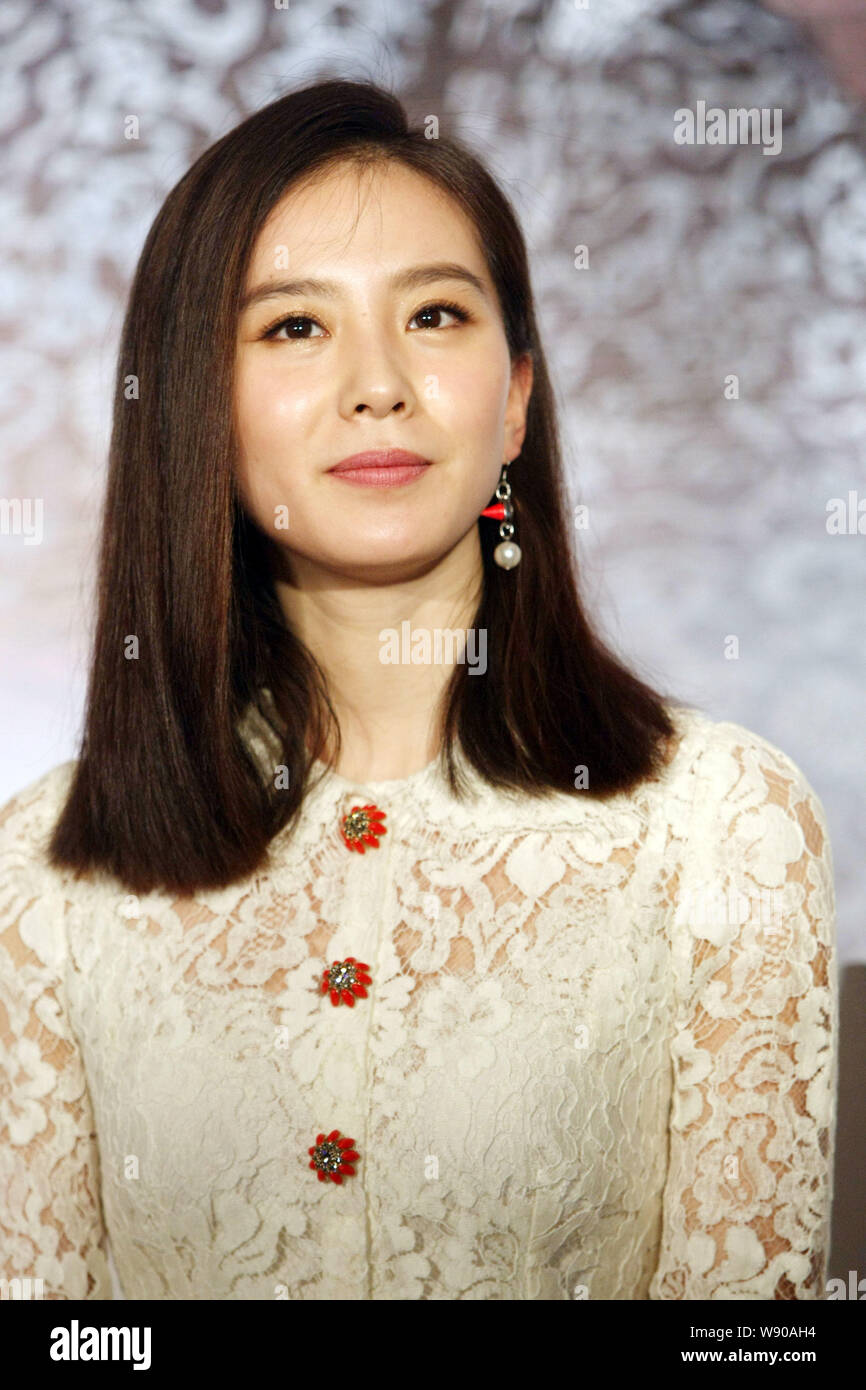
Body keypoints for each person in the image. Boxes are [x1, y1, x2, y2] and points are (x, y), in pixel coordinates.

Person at [0, 78, 837, 1300]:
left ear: (513, 400)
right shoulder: (46, 875)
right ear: (197, 408)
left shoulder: (719, 824)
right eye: (293, 327)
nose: (377, 383)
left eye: (435, 314)